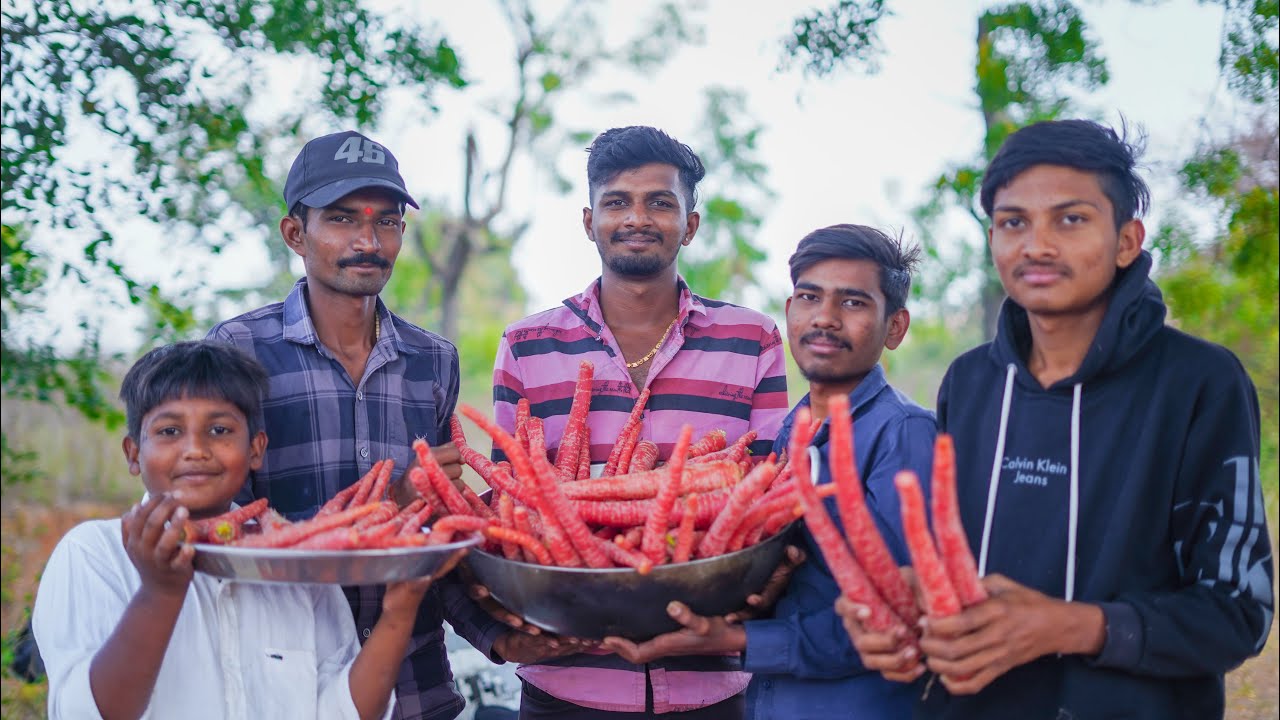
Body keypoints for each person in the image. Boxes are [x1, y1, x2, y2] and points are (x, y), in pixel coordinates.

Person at [838, 119, 1275, 720]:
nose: (1036, 245)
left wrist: (1067, 626)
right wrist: (900, 607)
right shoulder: (971, 382)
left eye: (1070, 219)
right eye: (1013, 222)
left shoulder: (1199, 382)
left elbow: (1239, 611)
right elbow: (953, 568)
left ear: (1127, 240)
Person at [489, 125, 790, 717]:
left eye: (660, 202)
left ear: (690, 224)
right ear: (589, 221)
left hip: (710, 681)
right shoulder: (527, 344)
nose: (637, 218)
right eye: (617, 202)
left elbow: (766, 497)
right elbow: (510, 505)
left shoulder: (752, 339)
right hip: (566, 678)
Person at [208, 131, 511, 719]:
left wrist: (496, 636)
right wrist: (387, 505)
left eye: (386, 222)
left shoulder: (432, 360)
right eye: (342, 219)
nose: (368, 242)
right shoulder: (237, 351)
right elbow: (224, 536)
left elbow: (440, 531)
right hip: (288, 686)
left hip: (416, 688)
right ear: (295, 234)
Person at [602, 224, 937, 720]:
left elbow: (902, 619)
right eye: (809, 297)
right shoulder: (791, 433)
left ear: (895, 327)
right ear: (789, 311)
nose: (824, 318)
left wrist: (735, 638)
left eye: (853, 302)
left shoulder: (904, 434)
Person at [33, 340, 457, 719]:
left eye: (219, 430)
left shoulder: (296, 560)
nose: (195, 450)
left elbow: (342, 712)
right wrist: (160, 592)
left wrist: (399, 612)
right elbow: (86, 711)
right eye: (169, 431)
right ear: (133, 453)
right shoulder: (94, 554)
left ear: (255, 449)